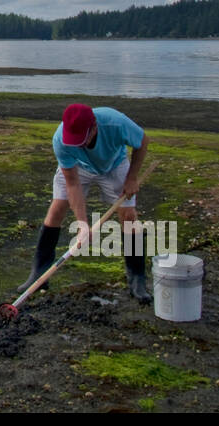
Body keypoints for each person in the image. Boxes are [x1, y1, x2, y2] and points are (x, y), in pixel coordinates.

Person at [19, 103, 153, 303]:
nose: (78, 144)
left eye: (82, 140)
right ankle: (39, 274)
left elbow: (142, 141)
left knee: (129, 216)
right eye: (74, 140)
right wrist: (82, 224)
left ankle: (137, 280)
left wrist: (132, 178)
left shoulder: (115, 122)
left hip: (114, 165)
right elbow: (72, 184)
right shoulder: (60, 139)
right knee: (56, 209)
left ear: (94, 127)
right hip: (78, 169)